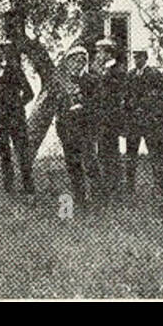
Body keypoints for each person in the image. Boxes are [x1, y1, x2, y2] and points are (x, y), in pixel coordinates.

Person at [0, 40, 34, 194]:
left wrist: (17, 106)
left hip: (16, 119)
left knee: (23, 153)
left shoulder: (15, 70)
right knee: (4, 155)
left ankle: (29, 188)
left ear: (3, 52)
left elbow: (29, 93)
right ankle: (9, 189)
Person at [53, 45, 101, 207]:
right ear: (68, 63)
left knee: (90, 164)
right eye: (74, 60)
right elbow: (57, 107)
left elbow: (98, 104)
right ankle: (79, 199)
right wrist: (59, 128)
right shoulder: (61, 82)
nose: (78, 63)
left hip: (86, 129)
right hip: (67, 130)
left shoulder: (92, 80)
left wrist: (84, 107)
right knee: (73, 165)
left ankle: (97, 199)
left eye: (81, 60)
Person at [125, 48, 163, 195]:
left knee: (155, 154)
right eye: (135, 57)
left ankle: (159, 186)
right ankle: (130, 186)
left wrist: (149, 107)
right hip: (134, 122)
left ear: (145, 58)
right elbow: (125, 95)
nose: (136, 60)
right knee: (131, 154)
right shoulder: (130, 74)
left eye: (139, 57)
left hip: (150, 121)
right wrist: (130, 107)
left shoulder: (154, 74)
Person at [93, 39, 128, 197]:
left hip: (112, 118)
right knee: (102, 151)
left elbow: (120, 94)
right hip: (100, 117)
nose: (98, 54)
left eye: (100, 51)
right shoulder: (97, 70)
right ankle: (106, 185)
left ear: (108, 53)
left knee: (111, 151)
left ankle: (115, 186)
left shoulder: (118, 70)